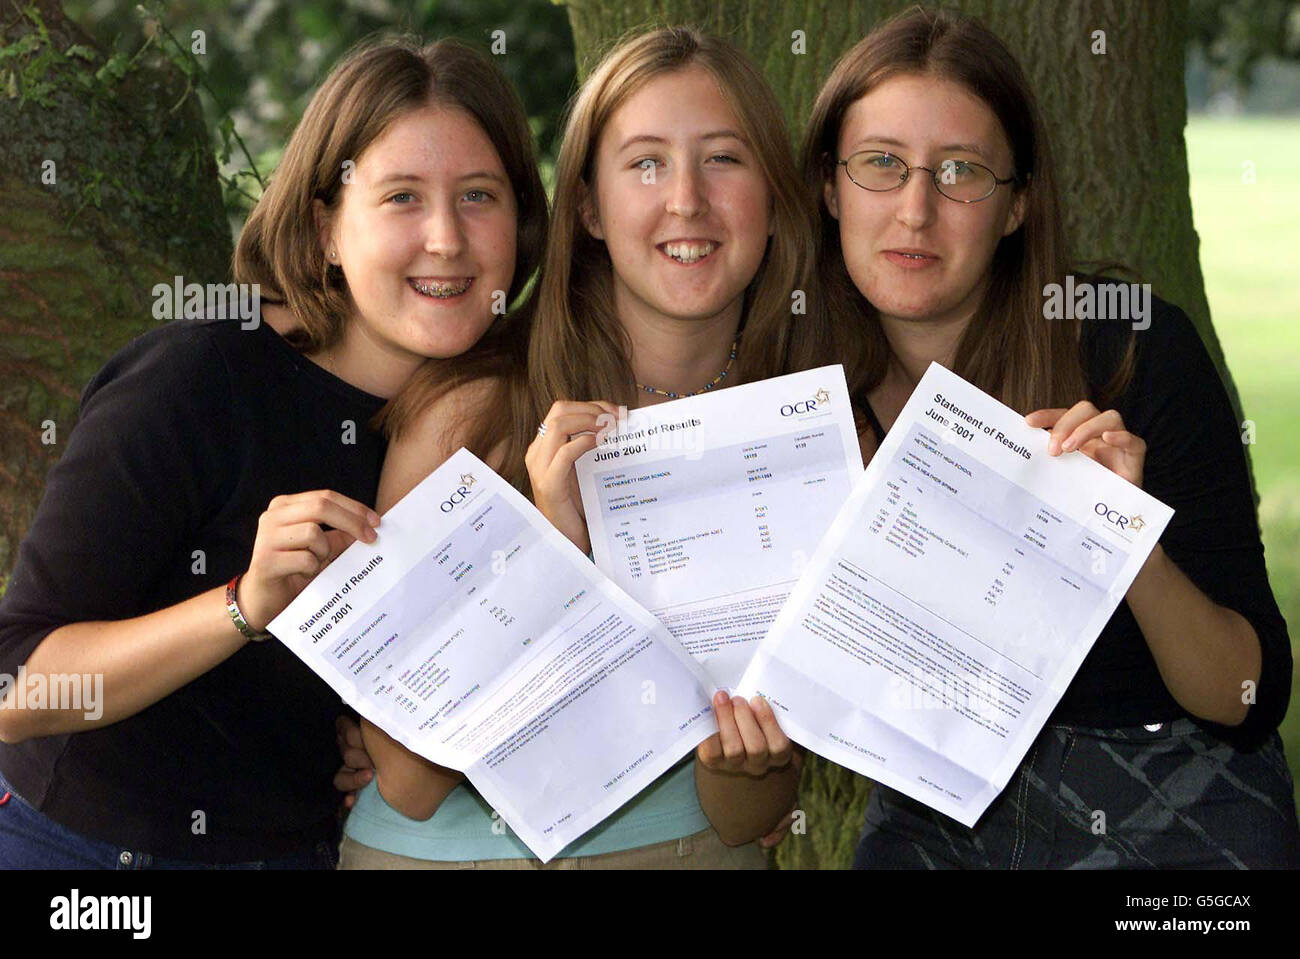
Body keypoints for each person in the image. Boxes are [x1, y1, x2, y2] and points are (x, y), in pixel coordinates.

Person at [0, 36, 545, 868]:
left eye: (479, 195)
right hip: (81, 848)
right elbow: (14, 687)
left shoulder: (503, 416)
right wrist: (241, 605)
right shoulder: (198, 380)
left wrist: (390, 741)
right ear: (327, 227)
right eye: (401, 197)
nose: (446, 238)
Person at [336, 26, 861, 870]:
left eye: (724, 159)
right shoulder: (472, 414)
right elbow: (407, 776)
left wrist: (752, 762)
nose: (685, 199)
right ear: (587, 207)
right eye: (646, 163)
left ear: (773, 194)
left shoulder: (804, 440)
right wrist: (551, 549)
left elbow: (751, 812)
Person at [797, 6, 1299, 868]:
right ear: (831, 187)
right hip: (936, 807)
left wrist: (1125, 538)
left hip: (1170, 806)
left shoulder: (1132, 351)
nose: (917, 210)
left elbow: (1246, 697)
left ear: (1018, 205)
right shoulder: (802, 397)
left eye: (961, 172)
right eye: (883, 164)